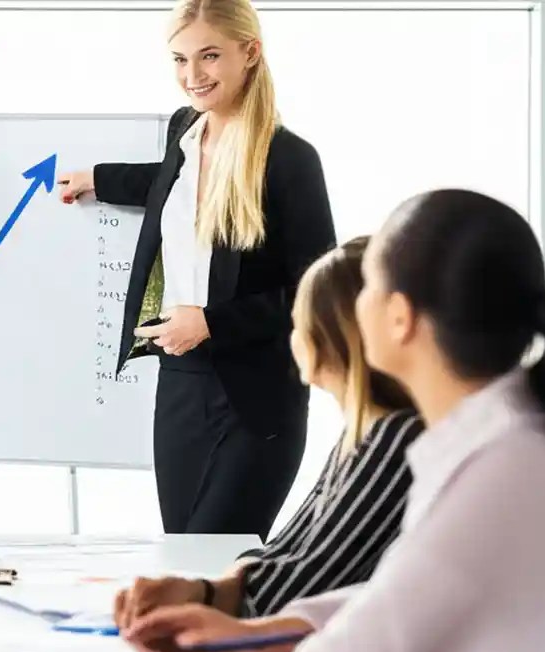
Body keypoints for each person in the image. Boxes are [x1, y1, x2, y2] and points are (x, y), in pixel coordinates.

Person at [123, 189, 545, 652]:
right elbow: (399, 598)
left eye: (368, 285)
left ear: (399, 317)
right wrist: (254, 638)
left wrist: (248, 639)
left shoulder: (502, 472)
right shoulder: (501, 445)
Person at [57, 0, 336, 536]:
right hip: (181, 383)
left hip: (255, 398)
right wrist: (98, 178)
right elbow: (168, 182)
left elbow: (318, 294)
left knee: (214, 556)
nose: (192, 76)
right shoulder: (185, 132)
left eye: (209, 56)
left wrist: (211, 322)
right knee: (180, 559)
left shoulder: (290, 159)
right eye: (180, 60)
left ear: (249, 52)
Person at [113, 236, 422, 626]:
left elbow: (293, 584)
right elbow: (288, 552)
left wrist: (208, 593)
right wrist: (207, 588)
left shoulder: (394, 442)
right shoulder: (366, 435)